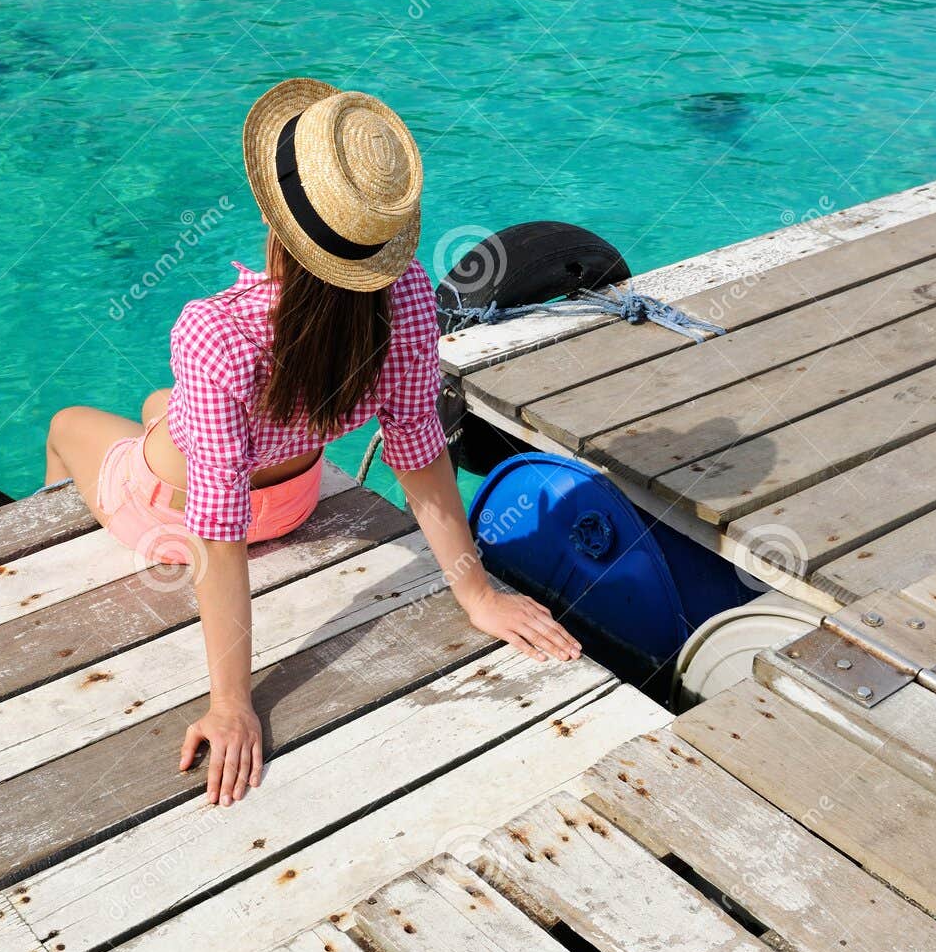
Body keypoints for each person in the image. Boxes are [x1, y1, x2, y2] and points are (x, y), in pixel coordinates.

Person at [45, 78, 580, 808]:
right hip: (298, 497)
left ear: (273, 212)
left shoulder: (215, 331)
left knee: (68, 425)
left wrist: (232, 702)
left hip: (174, 521)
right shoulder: (410, 299)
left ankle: (52, 524)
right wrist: (477, 595)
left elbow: (216, 533)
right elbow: (420, 459)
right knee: (159, 406)